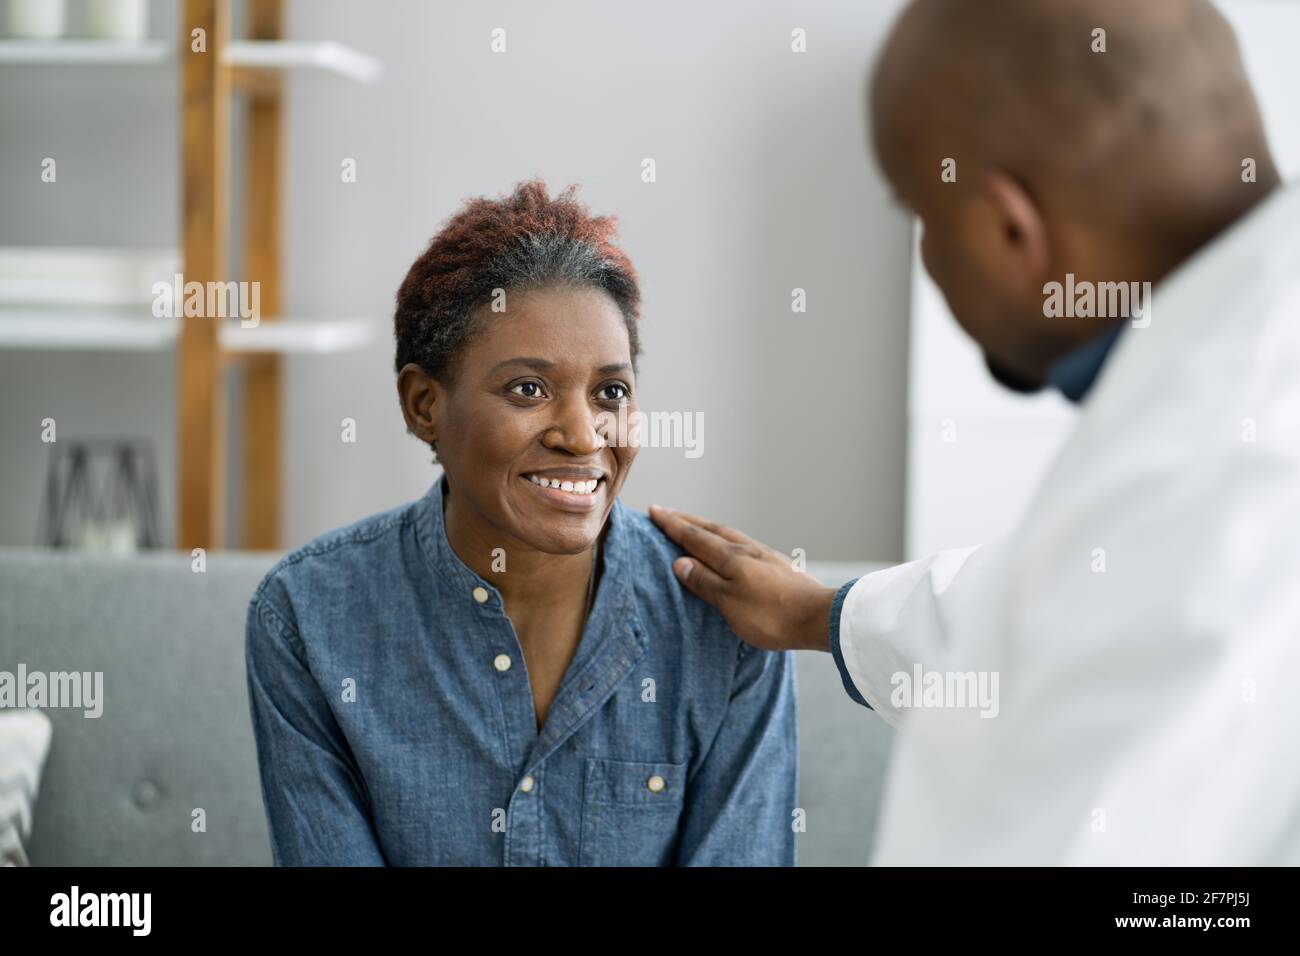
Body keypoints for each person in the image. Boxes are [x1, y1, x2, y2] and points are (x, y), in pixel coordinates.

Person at [651, 0, 1300, 864]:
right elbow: (1041, 603)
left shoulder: (1216, 469)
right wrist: (825, 614)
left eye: (919, 211)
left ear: (1007, 230)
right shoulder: (1224, 385)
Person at [245, 181, 797, 866]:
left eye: (611, 392)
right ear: (424, 405)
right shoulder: (309, 618)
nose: (583, 435)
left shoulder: (728, 625)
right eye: (528, 389)